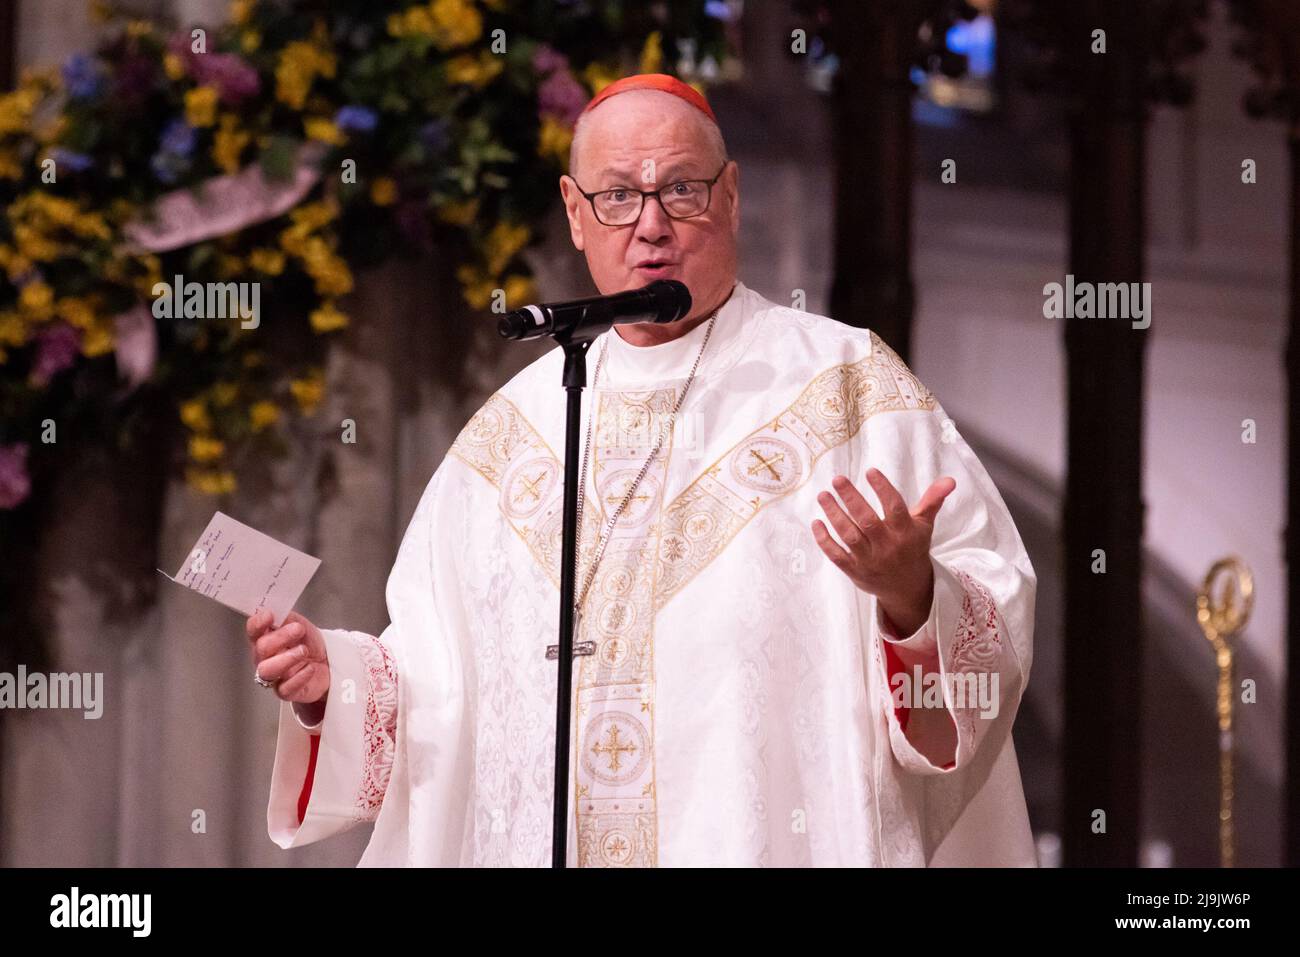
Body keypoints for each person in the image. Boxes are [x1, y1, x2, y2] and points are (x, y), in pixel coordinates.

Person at [245, 74, 1037, 867]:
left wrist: (913, 598)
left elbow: (988, 638)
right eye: (618, 196)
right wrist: (335, 686)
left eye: (682, 190)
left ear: (730, 197)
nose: (651, 225)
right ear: (575, 212)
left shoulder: (849, 388)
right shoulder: (512, 436)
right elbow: (438, 685)